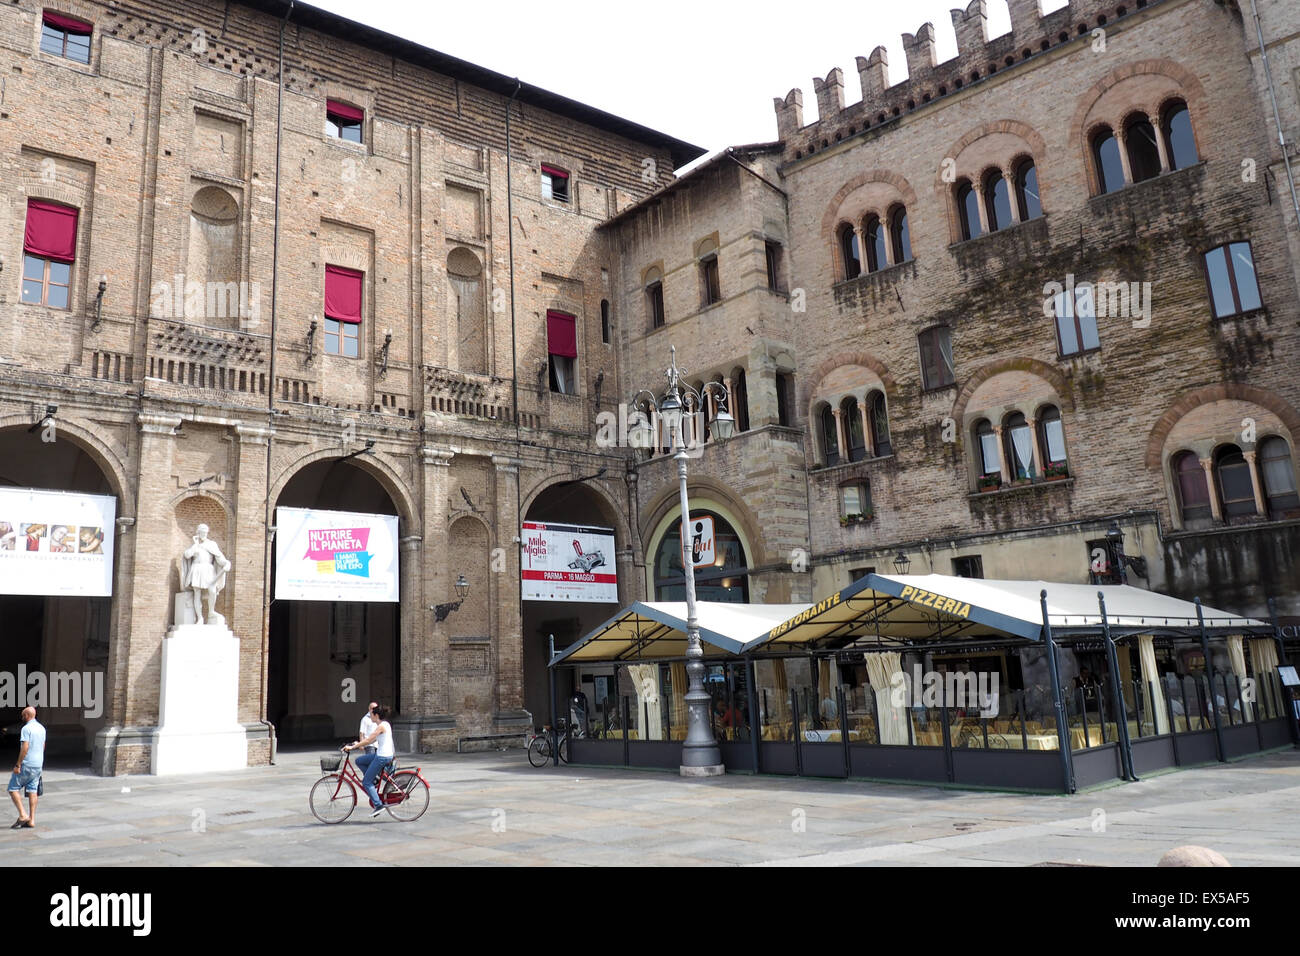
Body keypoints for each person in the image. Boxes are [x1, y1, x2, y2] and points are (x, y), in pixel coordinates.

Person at [345, 704, 394, 816]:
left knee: (366, 782)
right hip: (382, 755)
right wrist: (357, 743)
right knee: (359, 760)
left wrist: (352, 747)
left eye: (371, 714)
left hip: (382, 757)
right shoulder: (384, 724)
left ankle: (378, 805)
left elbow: (368, 741)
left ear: (376, 715)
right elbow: (371, 740)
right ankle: (374, 779)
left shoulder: (381, 726)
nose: (369, 716)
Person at [8, 706, 45, 829]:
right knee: (32, 790)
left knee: (12, 788)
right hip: (38, 764)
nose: (22, 717)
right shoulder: (41, 728)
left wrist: (18, 764)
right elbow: (43, 745)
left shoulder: (26, 728)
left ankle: (23, 815)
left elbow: (25, 747)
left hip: (27, 763)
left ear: (27, 716)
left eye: (23, 715)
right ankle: (32, 820)